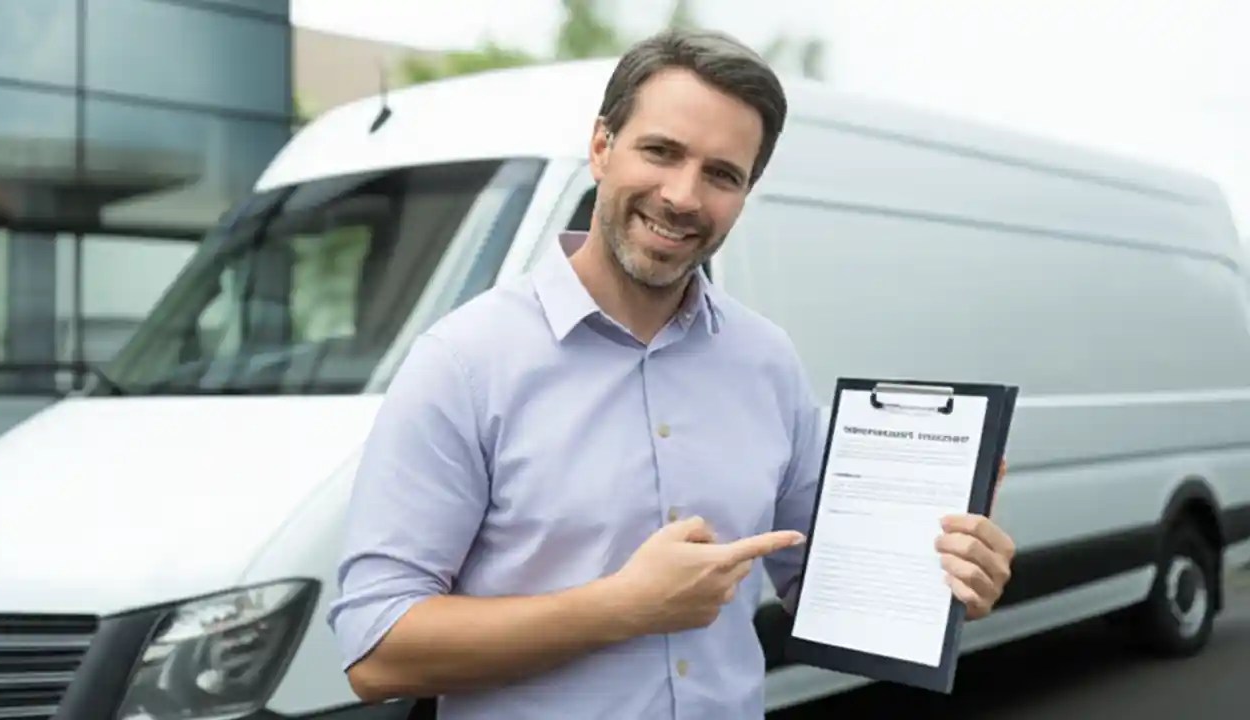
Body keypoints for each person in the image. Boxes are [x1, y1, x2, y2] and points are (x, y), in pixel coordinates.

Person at [327, 27, 1016, 719]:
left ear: (747, 193)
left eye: (722, 174)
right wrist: (620, 608)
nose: (684, 196)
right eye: (661, 152)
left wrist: (944, 583)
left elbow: (824, 586)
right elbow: (377, 651)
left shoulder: (766, 361)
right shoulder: (464, 362)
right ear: (602, 147)